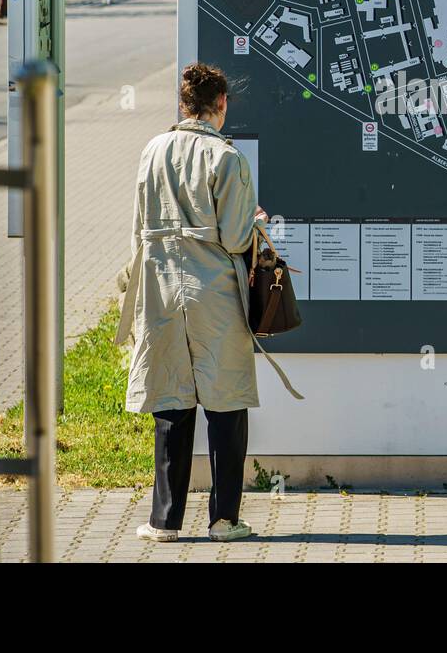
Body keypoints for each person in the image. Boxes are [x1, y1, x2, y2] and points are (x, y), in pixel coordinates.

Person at [120, 63, 267, 543]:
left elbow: (139, 224)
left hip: (161, 284)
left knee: (171, 398)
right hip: (213, 289)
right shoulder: (227, 158)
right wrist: (258, 219)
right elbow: (235, 235)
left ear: (182, 105)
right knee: (225, 403)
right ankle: (224, 520)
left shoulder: (151, 150)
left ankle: (164, 520)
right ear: (220, 105)